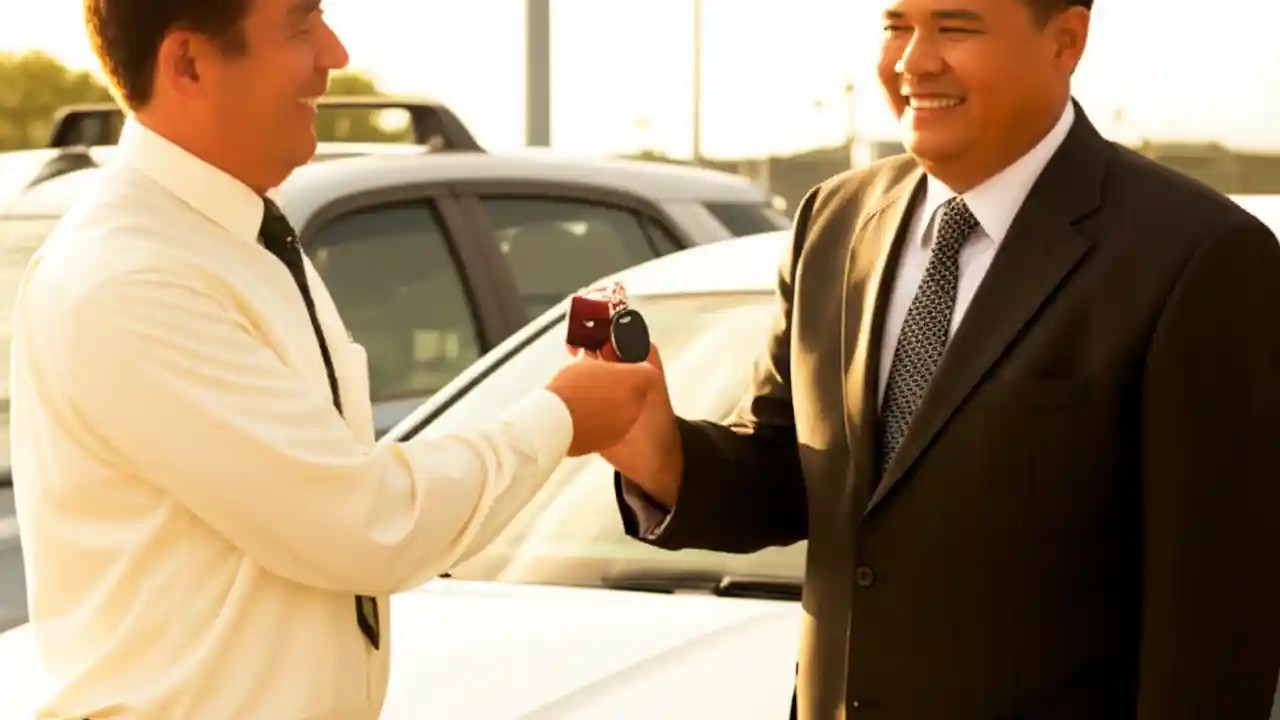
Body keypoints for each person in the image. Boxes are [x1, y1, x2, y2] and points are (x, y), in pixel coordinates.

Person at [600, 0, 1280, 717]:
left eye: (955, 27)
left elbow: (1213, 618)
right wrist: (658, 452)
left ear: (1067, 41)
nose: (913, 60)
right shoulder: (833, 221)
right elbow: (788, 476)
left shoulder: (1198, 257)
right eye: (897, 25)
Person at [7, 0, 658, 717]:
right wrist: (561, 417)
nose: (336, 53)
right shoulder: (133, 277)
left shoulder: (232, 235)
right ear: (188, 62)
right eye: (300, 24)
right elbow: (365, 521)